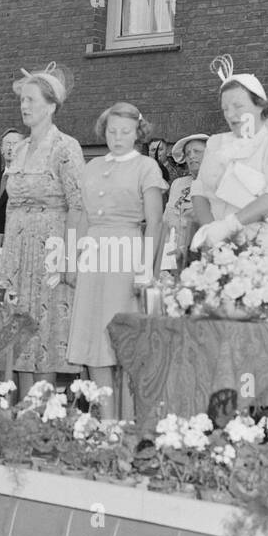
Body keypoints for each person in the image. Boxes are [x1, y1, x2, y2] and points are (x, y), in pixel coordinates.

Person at [67, 103, 166, 417]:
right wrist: (72, 259)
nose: (118, 137)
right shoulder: (92, 166)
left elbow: (155, 222)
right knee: (93, 338)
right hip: (93, 253)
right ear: (103, 131)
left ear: (138, 132)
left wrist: (145, 269)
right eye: (112, 131)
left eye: (125, 131)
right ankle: (106, 420)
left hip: (125, 252)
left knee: (120, 338)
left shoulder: (146, 167)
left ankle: (129, 419)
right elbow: (81, 216)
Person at [0, 65, 86, 395]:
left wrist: (68, 256)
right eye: (22, 100)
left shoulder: (66, 147)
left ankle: (46, 413)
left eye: (31, 100)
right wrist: (6, 259)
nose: (24, 106)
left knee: (46, 332)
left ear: (51, 105)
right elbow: (10, 204)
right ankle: (23, 410)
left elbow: (79, 205)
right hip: (18, 255)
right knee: (18, 330)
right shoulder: (18, 149)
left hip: (50, 250)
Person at [191, 65, 268, 259]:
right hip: (217, 248)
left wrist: (228, 227)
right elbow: (199, 193)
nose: (230, 115)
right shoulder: (215, 143)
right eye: (225, 109)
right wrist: (212, 231)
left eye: (238, 106)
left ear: (260, 106)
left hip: (262, 248)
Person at [161, 132, 208, 271]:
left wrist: (184, 251)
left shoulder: (217, 185)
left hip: (199, 260)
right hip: (169, 258)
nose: (191, 156)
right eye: (188, 153)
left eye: (197, 151)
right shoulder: (178, 184)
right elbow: (166, 220)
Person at [0, 129, 26, 271]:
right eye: (7, 143)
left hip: (14, 241)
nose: (10, 147)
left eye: (15, 143)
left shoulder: (26, 179)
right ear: (1, 148)